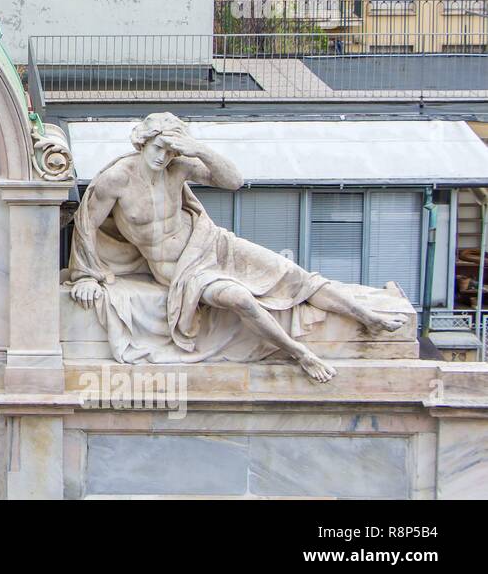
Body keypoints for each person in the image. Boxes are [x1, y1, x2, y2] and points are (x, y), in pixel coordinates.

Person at [69, 112, 407, 383]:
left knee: (294, 275)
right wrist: (85, 274)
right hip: (183, 271)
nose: (163, 156)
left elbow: (233, 181)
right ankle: (300, 353)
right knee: (240, 299)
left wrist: (196, 149)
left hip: (210, 241)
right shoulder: (117, 179)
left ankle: (367, 315)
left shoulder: (178, 167)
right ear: (143, 142)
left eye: (170, 150)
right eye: (158, 147)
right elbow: (86, 224)